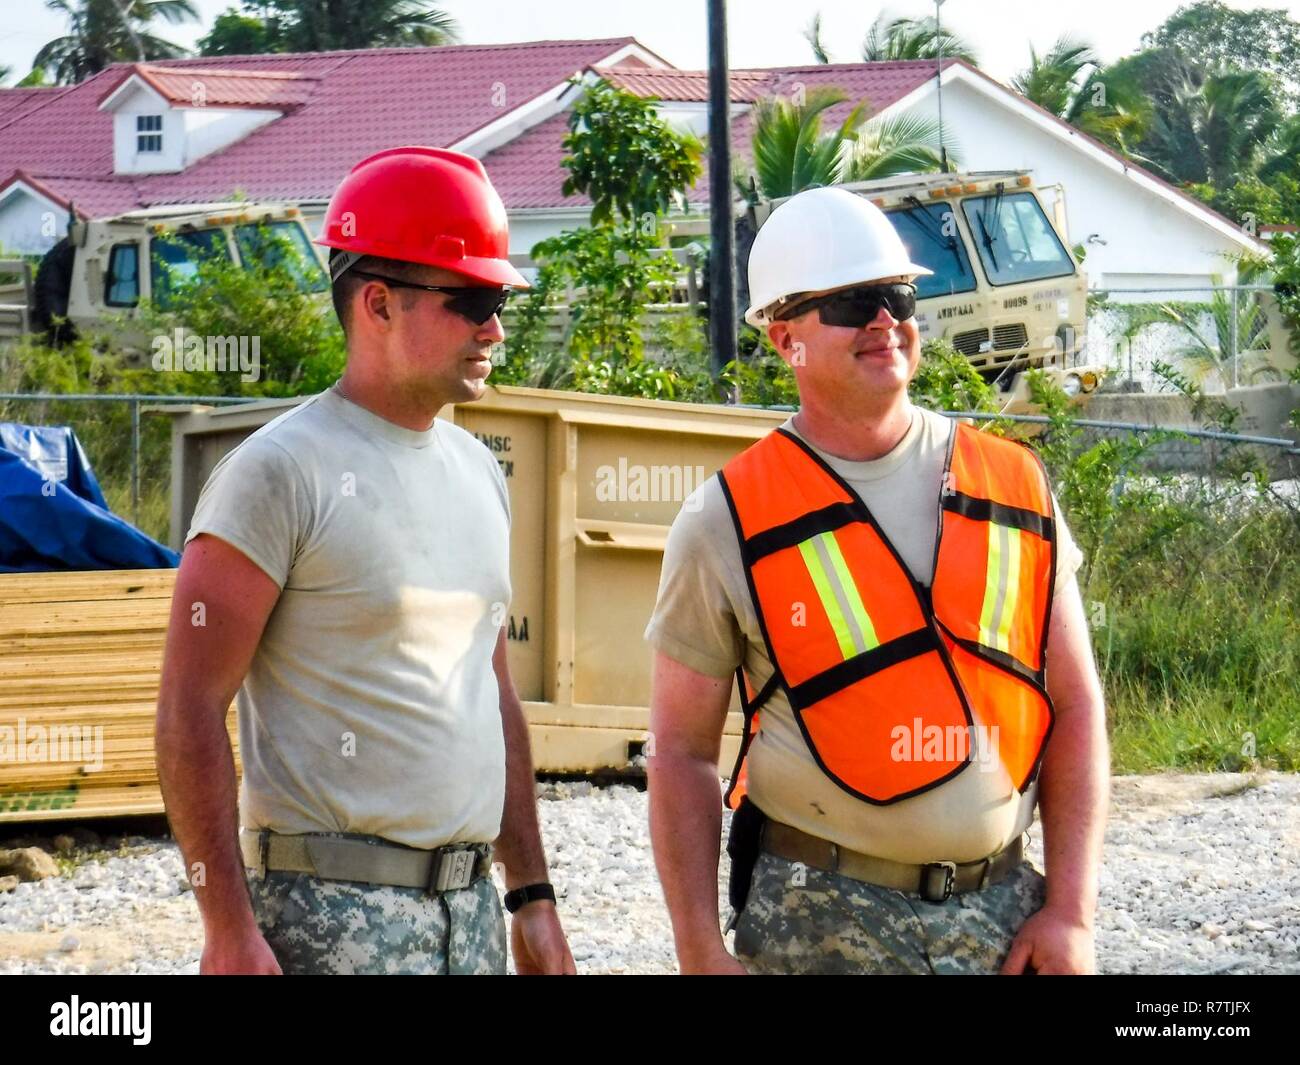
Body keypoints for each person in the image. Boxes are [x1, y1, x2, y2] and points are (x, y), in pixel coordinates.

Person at [646, 186, 1108, 975]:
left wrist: (1070, 909)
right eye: (855, 302)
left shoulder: (1015, 484)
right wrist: (698, 947)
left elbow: (1075, 705)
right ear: (784, 335)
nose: (885, 320)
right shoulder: (725, 518)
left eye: (898, 295)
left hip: (1001, 913)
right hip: (817, 920)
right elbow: (682, 753)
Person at [156, 146, 575, 976]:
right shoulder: (279, 473)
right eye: (473, 300)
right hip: (330, 921)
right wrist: (227, 930)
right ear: (378, 303)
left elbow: (489, 696)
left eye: (500, 302)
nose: (495, 327)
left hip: (471, 917)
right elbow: (189, 707)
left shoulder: (479, 472)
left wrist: (530, 898)